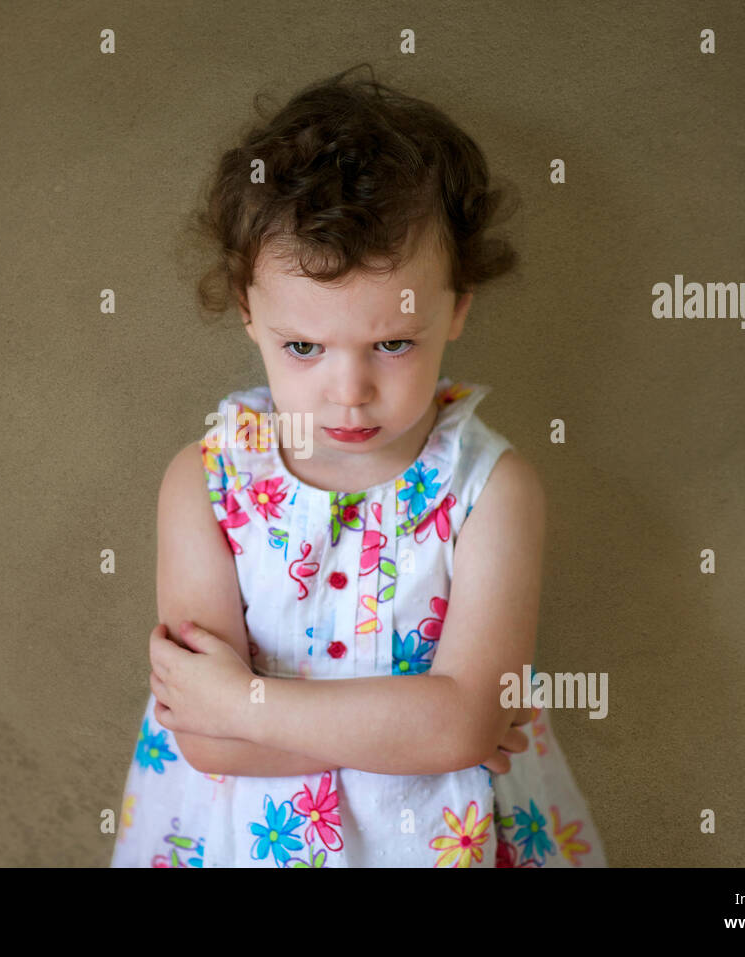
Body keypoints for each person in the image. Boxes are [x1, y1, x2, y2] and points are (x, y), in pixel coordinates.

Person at [111, 64, 606, 867]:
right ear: (248, 312)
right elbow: (208, 739)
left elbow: (464, 726)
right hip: (248, 841)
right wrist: (425, 728)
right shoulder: (204, 484)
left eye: (393, 343)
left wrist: (248, 703)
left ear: (458, 306)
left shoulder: (490, 491)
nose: (348, 393)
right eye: (303, 346)